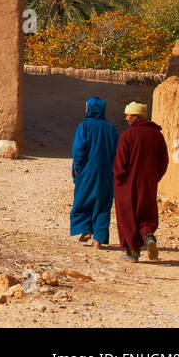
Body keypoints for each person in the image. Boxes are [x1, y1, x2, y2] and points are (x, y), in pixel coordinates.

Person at [113, 101, 169, 262]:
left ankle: (132, 251)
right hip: (149, 183)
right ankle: (148, 235)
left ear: (136, 117)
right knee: (145, 211)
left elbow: (120, 163)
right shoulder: (157, 136)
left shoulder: (127, 136)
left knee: (128, 214)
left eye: (129, 115)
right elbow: (163, 161)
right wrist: (154, 177)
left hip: (128, 184)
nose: (126, 118)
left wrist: (119, 180)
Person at [70, 96, 118, 248]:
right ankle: (98, 240)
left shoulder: (84, 127)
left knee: (83, 199)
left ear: (90, 109)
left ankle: (85, 228)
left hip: (87, 171)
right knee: (103, 204)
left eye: (86, 107)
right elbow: (118, 151)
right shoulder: (111, 129)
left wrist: (76, 168)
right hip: (107, 173)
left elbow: (79, 149)